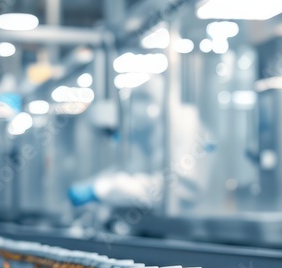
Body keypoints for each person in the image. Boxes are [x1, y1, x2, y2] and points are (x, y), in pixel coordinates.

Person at [69, 80, 213, 212]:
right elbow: (131, 169)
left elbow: (176, 189)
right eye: (135, 101)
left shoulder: (185, 126)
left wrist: (101, 189)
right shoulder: (149, 131)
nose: (137, 110)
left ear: (159, 101)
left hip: (190, 222)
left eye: (144, 99)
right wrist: (98, 183)